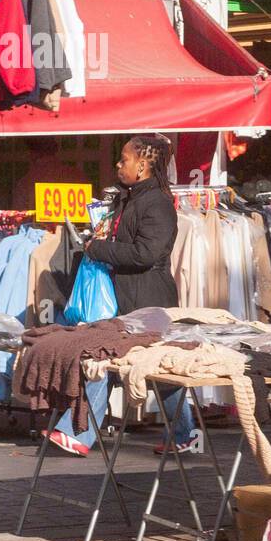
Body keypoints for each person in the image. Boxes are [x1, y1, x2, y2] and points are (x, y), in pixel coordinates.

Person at [46, 132, 195, 456]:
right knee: (152, 369)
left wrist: (98, 248)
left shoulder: (156, 204)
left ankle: (79, 433)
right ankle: (186, 436)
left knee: (105, 357)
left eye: (124, 159)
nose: (118, 163)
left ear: (142, 165)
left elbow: (145, 253)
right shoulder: (129, 198)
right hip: (124, 297)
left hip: (146, 300)